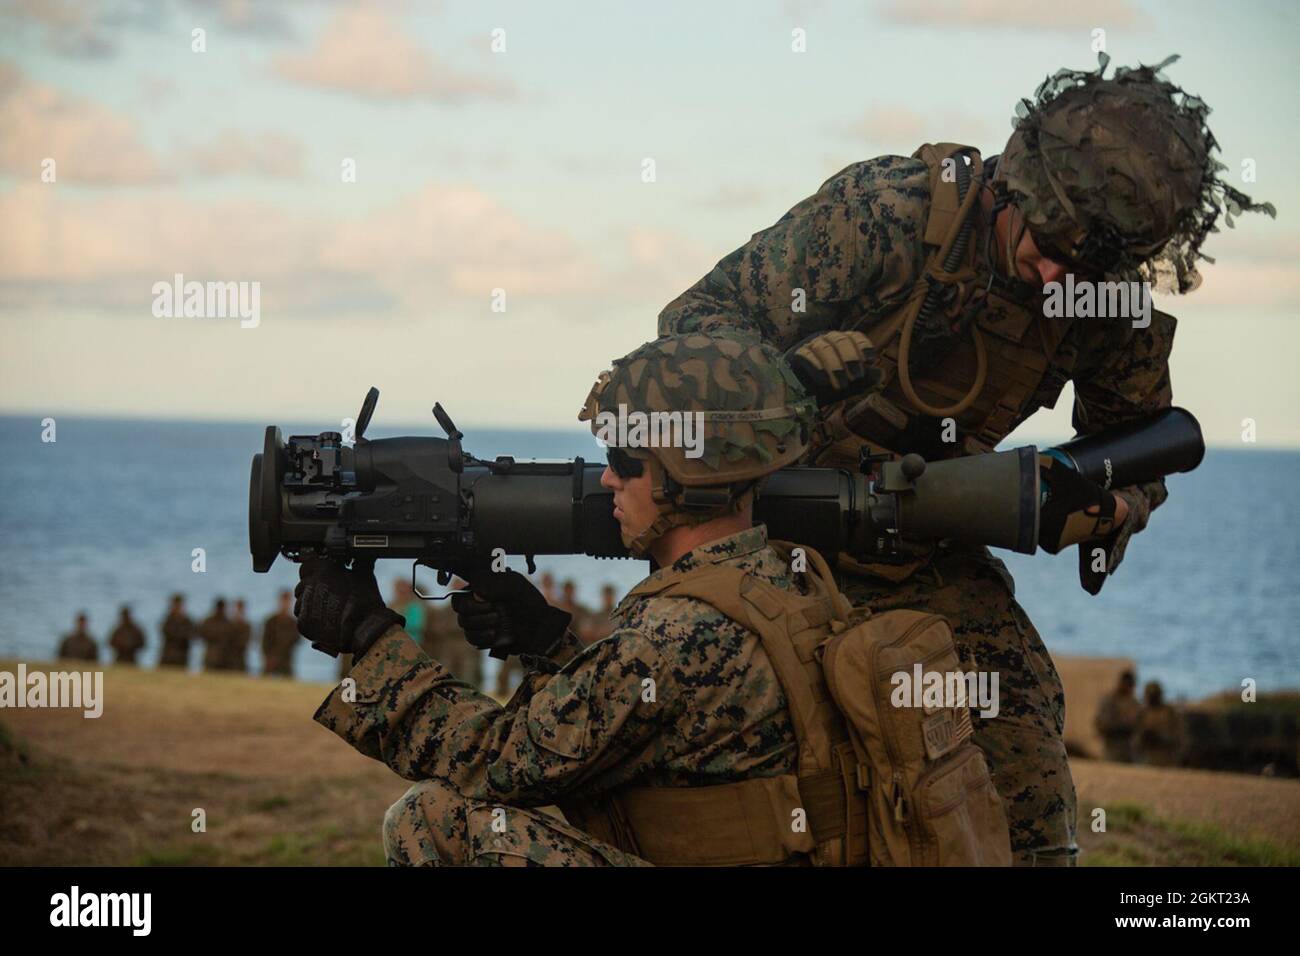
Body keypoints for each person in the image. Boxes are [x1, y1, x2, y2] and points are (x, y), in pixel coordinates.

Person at [653, 54, 1273, 865]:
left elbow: (1140, 441)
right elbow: (690, 323)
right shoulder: (888, 215)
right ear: (1018, 188)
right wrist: (789, 379)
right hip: (770, 524)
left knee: (1023, 761)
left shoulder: (1101, 295)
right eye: (1046, 244)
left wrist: (1114, 509)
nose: (1054, 273)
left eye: (1082, 268)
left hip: (922, 547)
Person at [296, 333, 872, 866]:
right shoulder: (782, 579)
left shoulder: (672, 633)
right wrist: (544, 637)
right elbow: (622, 727)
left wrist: (371, 641)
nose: (607, 481)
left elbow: (497, 764)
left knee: (433, 821)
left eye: (625, 463)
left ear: (687, 476)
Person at [1094, 669, 1141, 762]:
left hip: (1128, 750)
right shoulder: (1109, 701)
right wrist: (1118, 727)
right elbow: (1101, 724)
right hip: (1112, 750)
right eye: (1127, 685)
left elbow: (1138, 726)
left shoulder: (1134, 703)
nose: (1128, 688)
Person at [1134, 681, 1183, 767]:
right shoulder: (1142, 713)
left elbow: (1179, 736)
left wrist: (1161, 737)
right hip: (1148, 757)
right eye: (1151, 695)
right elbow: (1136, 737)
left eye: (1155, 695)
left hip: (1167, 757)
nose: (1153, 698)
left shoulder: (1169, 712)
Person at [261, 590, 298, 677]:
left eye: (287, 601)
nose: (285, 604)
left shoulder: (293, 623)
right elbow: (264, 641)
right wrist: (268, 657)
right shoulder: (271, 621)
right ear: (279, 601)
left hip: (286, 660)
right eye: (284, 601)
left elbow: (296, 640)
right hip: (271, 659)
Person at [199, 598, 237, 672]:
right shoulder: (209, 621)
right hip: (211, 657)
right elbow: (202, 634)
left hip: (224, 658)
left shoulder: (227, 623)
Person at [228, 599, 252, 673]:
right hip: (226, 661)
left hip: (240, 661)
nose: (238, 611)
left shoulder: (246, 626)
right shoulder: (227, 625)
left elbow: (244, 642)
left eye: (240, 609)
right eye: (237, 608)